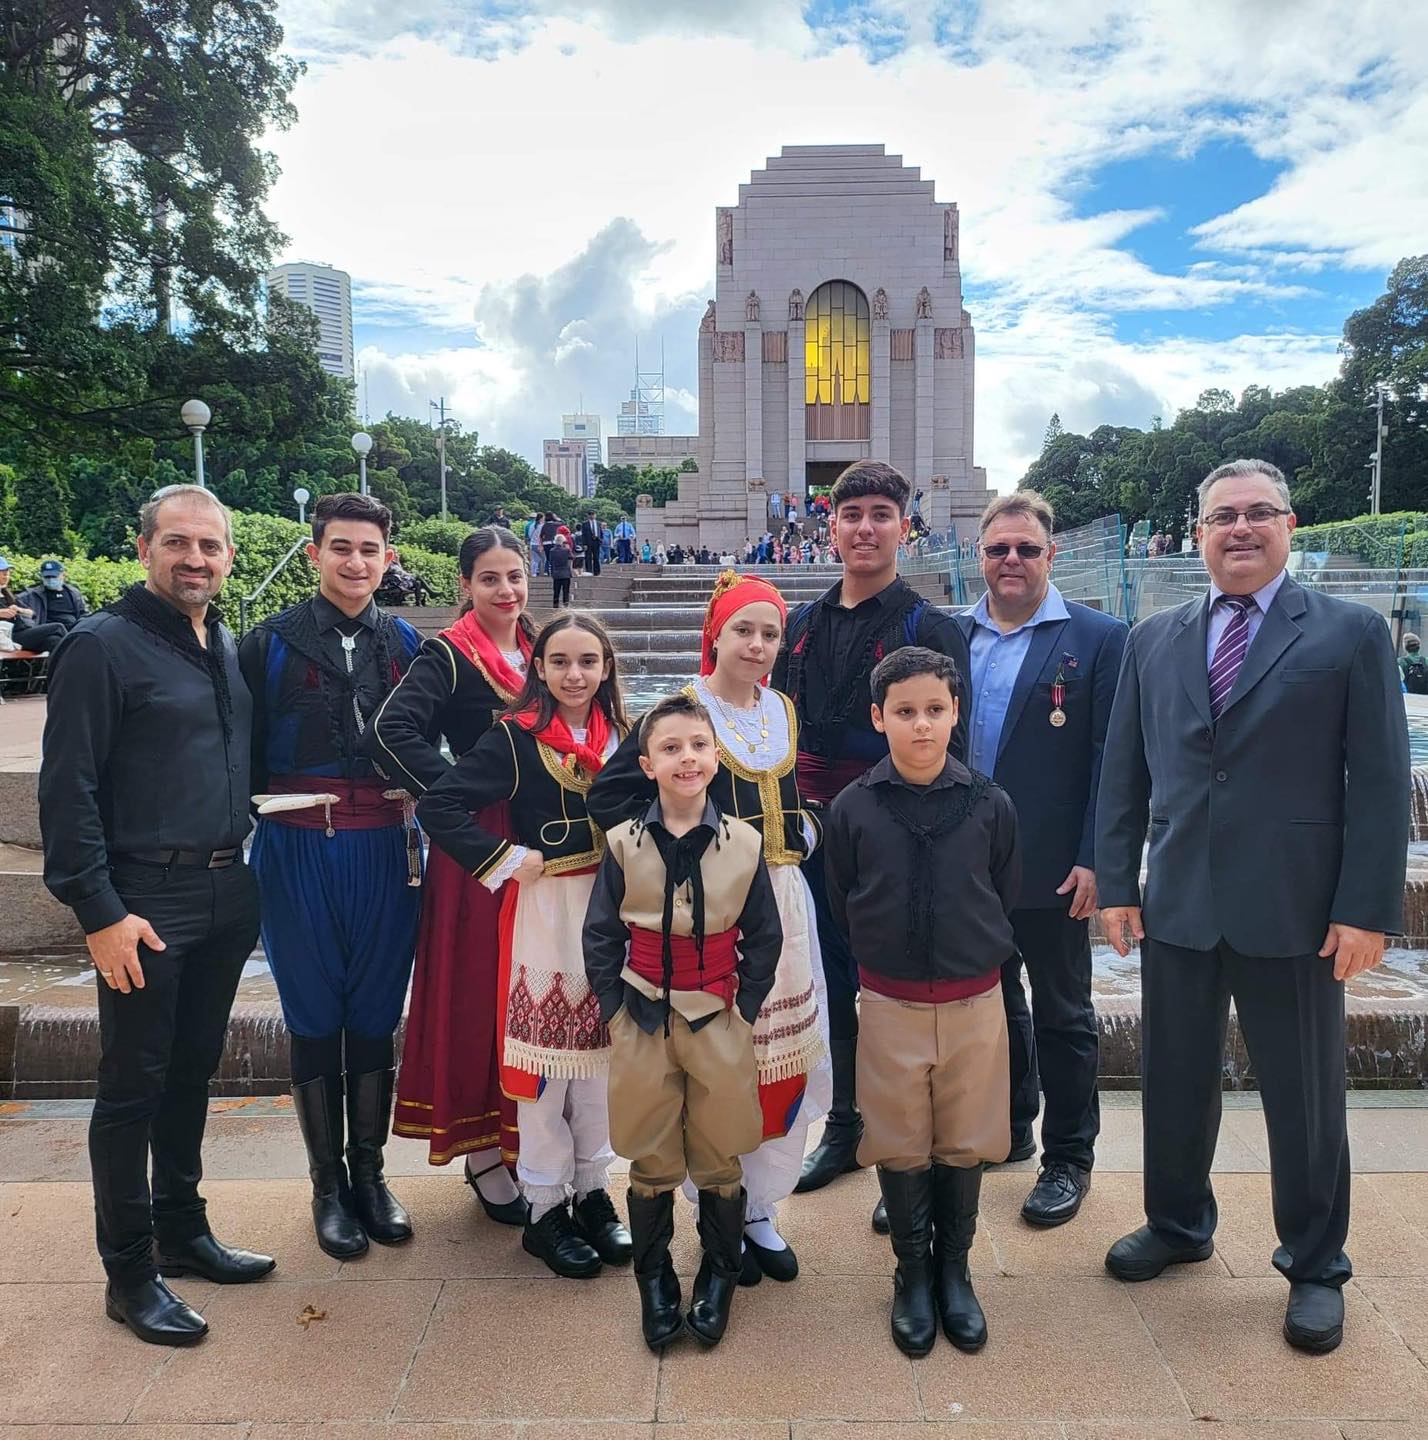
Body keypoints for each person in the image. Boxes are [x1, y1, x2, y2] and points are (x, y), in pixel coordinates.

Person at [1097, 458, 1410, 1355]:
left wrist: (1366, 909)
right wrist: (1117, 883)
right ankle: (1179, 1224)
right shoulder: (1152, 638)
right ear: (1196, 534)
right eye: (1222, 516)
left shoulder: (1349, 635)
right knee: (1174, 1082)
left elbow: (1383, 784)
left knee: (1305, 1100)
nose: (1240, 528)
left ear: (1289, 525)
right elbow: (1124, 772)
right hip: (1180, 903)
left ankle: (1315, 1265)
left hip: (1300, 910)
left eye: (1258, 514)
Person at [39, 484, 274, 1346]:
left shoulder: (221, 644)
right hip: (143, 899)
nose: (194, 560)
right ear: (143, 549)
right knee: (131, 1086)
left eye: (209, 546)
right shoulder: (100, 647)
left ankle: (183, 1229)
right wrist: (100, 911)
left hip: (225, 888)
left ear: (229, 556)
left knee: (192, 1070)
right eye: (177, 543)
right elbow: (68, 792)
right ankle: (129, 1272)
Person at [590, 572, 830, 1284]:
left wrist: (805, 825)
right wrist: (663, 856)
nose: (756, 645)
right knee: (708, 1062)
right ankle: (710, 1206)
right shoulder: (685, 711)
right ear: (715, 635)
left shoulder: (781, 707)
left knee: (778, 1062)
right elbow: (612, 792)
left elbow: (791, 793)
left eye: (769, 633)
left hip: (782, 902)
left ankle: (759, 1212)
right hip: (704, 916)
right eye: (743, 631)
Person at [772, 459, 971, 1235]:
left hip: (899, 825)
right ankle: (847, 1129)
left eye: (880, 514)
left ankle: (906, 1150)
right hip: (809, 830)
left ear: (903, 525)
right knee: (832, 983)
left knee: (900, 995)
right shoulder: (800, 623)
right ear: (830, 524)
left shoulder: (931, 627)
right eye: (850, 512)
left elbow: (958, 750)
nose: (864, 527)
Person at [417, 614, 633, 1278]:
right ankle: (545, 1209)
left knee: (599, 1066)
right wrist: (506, 858)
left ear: (606, 669)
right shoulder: (514, 739)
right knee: (542, 1070)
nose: (574, 675)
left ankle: (594, 1193)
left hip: (609, 912)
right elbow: (440, 805)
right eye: (560, 661)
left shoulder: (623, 737)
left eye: (587, 662)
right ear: (538, 668)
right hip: (543, 912)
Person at [238, 493, 424, 1260]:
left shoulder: (409, 642)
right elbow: (237, 753)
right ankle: (327, 1187)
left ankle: (371, 1178)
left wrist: (426, 784)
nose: (355, 562)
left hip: (382, 845)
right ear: (314, 553)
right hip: (297, 847)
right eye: (340, 548)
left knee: (376, 1009)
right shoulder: (267, 644)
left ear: (388, 559)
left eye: (369, 550)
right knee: (313, 1010)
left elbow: (438, 743)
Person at [824, 647, 1019, 1357]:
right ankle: (910, 1273)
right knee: (900, 1136)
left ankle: (954, 1272)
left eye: (935, 710)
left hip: (974, 1001)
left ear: (956, 712)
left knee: (964, 1137)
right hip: (889, 1002)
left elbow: (1004, 889)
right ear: (879, 718)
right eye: (904, 712)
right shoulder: (854, 808)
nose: (921, 725)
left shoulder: (990, 804)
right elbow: (843, 899)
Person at [585, 693, 782, 1349]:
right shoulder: (622, 844)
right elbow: (600, 937)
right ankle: (655, 1279)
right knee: (650, 1156)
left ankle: (720, 1275)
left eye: (698, 746)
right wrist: (614, 1013)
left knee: (720, 1155)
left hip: (719, 1018)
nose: (686, 758)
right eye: (670, 748)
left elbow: (765, 936)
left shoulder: (746, 846)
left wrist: (746, 1012)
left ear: (715, 757)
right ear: (647, 764)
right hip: (641, 1017)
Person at [957, 491, 1126, 1226]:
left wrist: (1098, 858)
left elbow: (1112, 760)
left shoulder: (1099, 639)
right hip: (967, 866)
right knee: (993, 1008)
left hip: (1057, 866)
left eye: (1027, 548)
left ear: (1051, 555)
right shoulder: (950, 636)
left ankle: (1069, 1156)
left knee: (1063, 1013)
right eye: (999, 549)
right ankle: (1012, 1130)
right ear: (980, 556)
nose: (1013, 561)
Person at [363, 526, 532, 1222]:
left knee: (538, 986)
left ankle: (539, 1142)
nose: (506, 591)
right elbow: (390, 732)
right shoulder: (448, 654)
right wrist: (460, 788)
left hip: (546, 842)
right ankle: (484, 1152)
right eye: (490, 578)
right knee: (480, 991)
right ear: (464, 585)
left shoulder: (542, 644)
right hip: (478, 850)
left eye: (515, 575)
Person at [1, 556, 67, 653]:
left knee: (54, 641)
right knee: (58, 627)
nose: (6, 575)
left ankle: (65, 667)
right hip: (11, 635)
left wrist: (19, 610)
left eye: (7, 571)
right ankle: (79, 653)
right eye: (2, 572)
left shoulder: (7, 594)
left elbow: (32, 614)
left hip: (27, 630)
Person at [19, 558, 87, 635]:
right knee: (55, 638)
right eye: (47, 577)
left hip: (73, 629)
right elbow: (17, 603)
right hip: (49, 632)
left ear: (63, 575)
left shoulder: (74, 593)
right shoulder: (32, 595)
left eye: (54, 576)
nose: (51, 579)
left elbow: (83, 613)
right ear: (42, 576)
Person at [548, 532, 574, 608]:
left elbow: (551, 561)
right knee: (566, 591)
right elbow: (572, 557)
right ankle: (566, 605)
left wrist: (552, 573)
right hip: (566, 573)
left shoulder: (552, 551)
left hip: (556, 573)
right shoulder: (566, 550)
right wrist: (568, 548)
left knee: (556, 591)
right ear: (563, 541)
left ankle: (555, 605)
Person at [581, 511, 602, 576]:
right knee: (588, 557)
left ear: (595, 515)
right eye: (590, 514)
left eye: (593, 514)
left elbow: (600, 532)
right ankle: (589, 571)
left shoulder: (598, 523)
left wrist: (601, 539)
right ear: (588, 515)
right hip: (588, 542)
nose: (591, 516)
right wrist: (584, 544)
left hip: (596, 541)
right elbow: (583, 535)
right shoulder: (585, 524)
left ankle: (597, 572)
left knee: (596, 557)